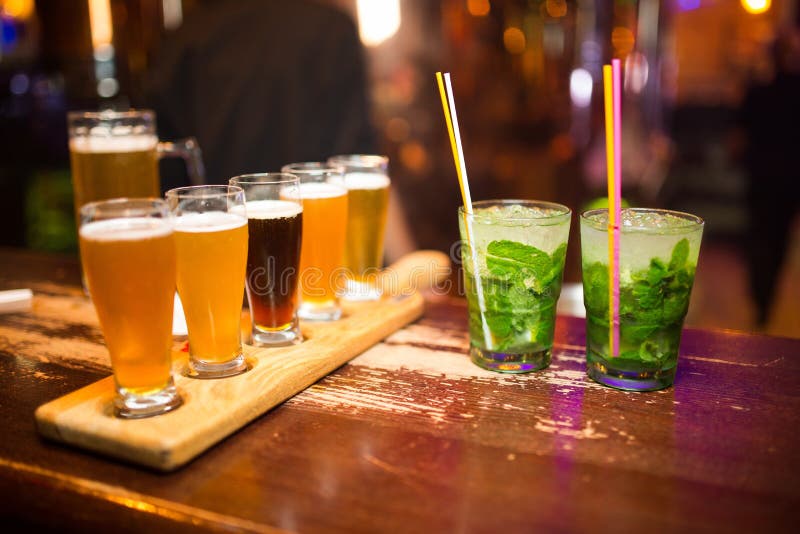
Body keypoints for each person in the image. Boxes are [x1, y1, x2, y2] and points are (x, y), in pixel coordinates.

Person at [145, 0, 377, 184]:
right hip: (317, 231)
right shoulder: (331, 29)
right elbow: (358, 166)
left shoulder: (183, 39)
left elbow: (165, 172)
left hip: (214, 232)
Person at [738, 29, 800, 328]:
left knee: (759, 237)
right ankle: (765, 298)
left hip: (761, 178)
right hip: (789, 181)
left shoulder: (758, 90)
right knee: (777, 242)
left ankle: (760, 297)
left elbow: (737, 136)